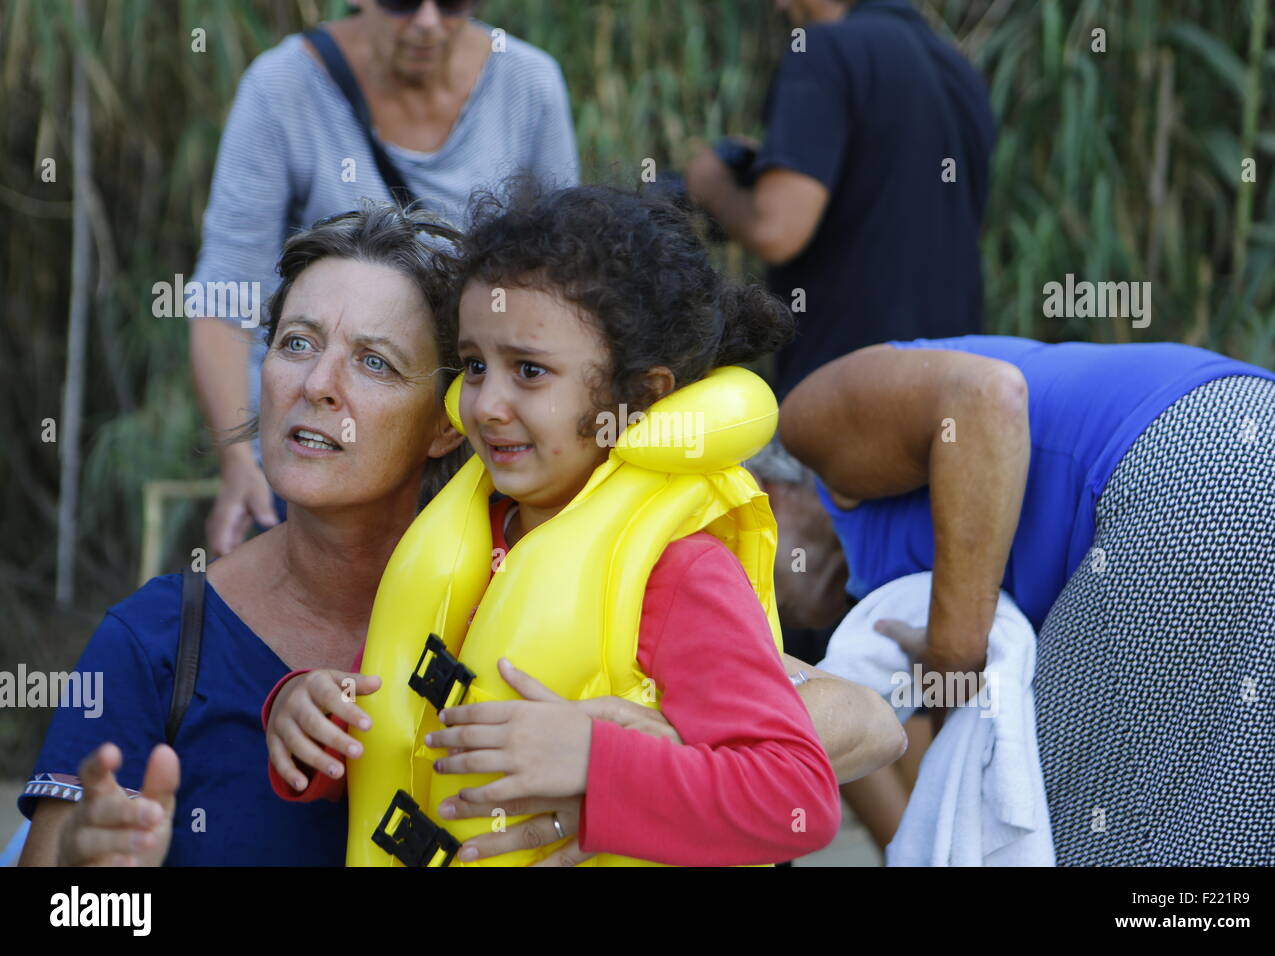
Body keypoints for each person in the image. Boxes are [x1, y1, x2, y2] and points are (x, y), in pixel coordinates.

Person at [18, 203, 903, 867]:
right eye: (294, 343)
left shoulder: (605, 564)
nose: (319, 384)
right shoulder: (153, 645)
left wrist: (628, 748)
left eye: (374, 361)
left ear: (439, 426)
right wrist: (96, 880)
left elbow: (856, 728)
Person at [265, 181, 898, 866]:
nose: (488, 404)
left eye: (530, 371)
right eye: (475, 365)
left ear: (639, 397)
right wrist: (309, 720)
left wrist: (596, 763)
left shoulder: (681, 573)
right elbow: (397, 730)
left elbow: (793, 798)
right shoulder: (467, 542)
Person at [777, 334, 1275, 865]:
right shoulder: (882, 587)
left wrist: (951, 654)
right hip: (1266, 437)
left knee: (1080, 842)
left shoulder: (804, 423)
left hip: (1198, 469)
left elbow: (986, 396)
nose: (774, 614)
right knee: (1256, 813)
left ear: (760, 498)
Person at [190, 0, 579, 557]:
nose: (425, 22)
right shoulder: (282, 89)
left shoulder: (529, 84)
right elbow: (226, 297)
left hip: (468, 446)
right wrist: (238, 465)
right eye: (400, 3)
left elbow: (557, 291)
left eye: (450, 4)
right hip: (314, 446)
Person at [684, 0, 996, 399]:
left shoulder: (823, 50)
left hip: (849, 385)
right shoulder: (960, 70)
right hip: (953, 383)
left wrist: (711, 185)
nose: (780, 5)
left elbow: (776, 228)